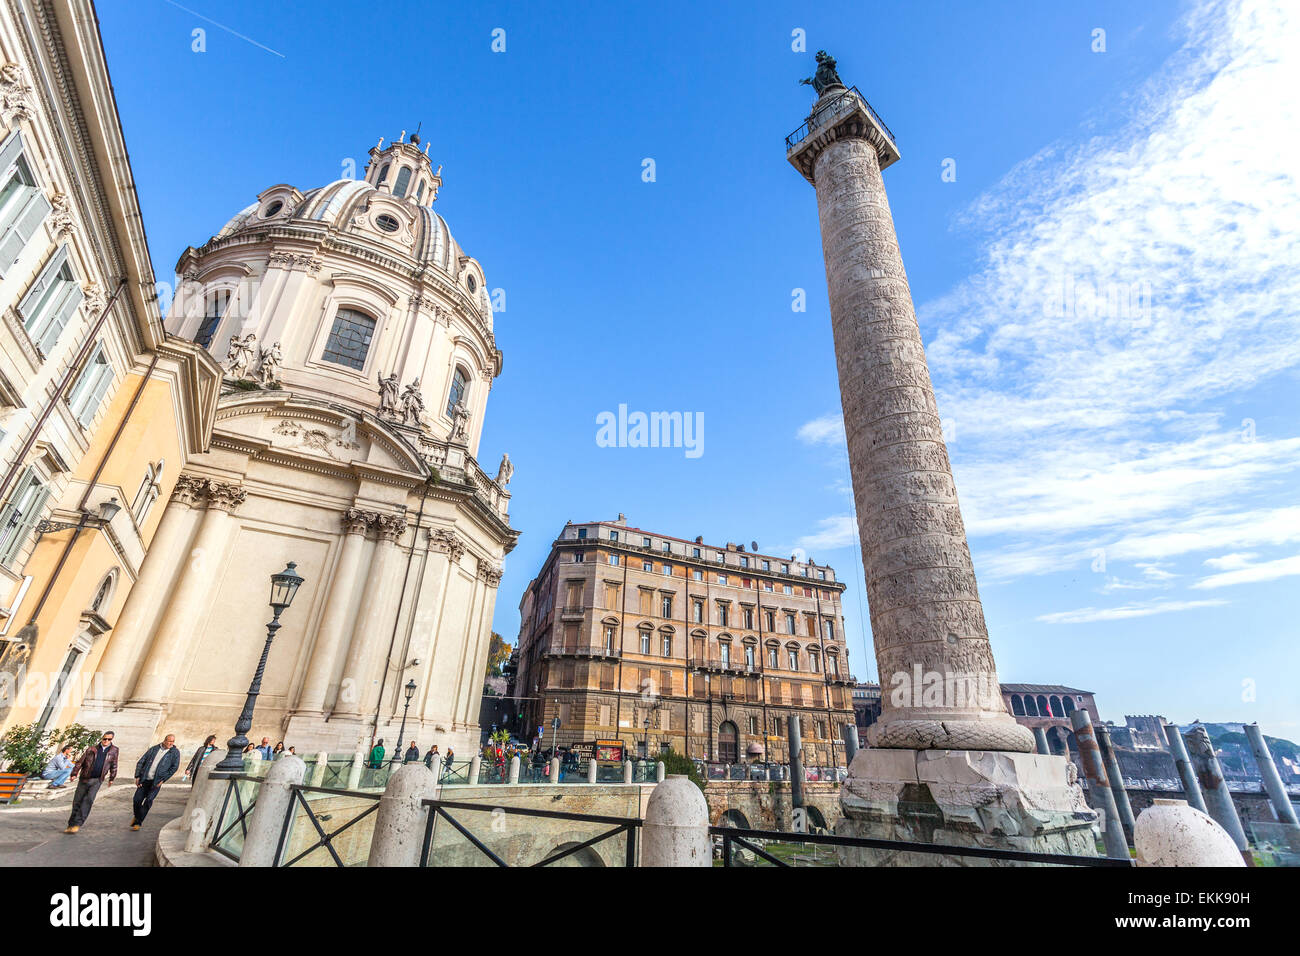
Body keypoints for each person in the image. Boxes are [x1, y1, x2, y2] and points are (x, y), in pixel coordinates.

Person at [65, 731, 119, 833]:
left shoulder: (114, 750)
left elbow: (114, 765)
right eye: (104, 739)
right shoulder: (91, 749)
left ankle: (78, 824)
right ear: (102, 738)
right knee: (77, 801)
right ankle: (71, 824)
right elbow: (80, 762)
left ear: (112, 740)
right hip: (84, 778)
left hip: (97, 780)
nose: (106, 741)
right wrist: (74, 773)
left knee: (88, 800)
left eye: (109, 739)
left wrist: (112, 777)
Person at [131, 734, 180, 830]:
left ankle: (138, 822)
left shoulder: (174, 753)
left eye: (173, 741)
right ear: (164, 740)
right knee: (137, 800)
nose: (171, 743)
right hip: (145, 779)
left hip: (157, 782)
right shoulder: (154, 749)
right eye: (169, 741)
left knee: (149, 800)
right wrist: (137, 776)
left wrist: (163, 779)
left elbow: (174, 768)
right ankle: (137, 816)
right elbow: (141, 761)